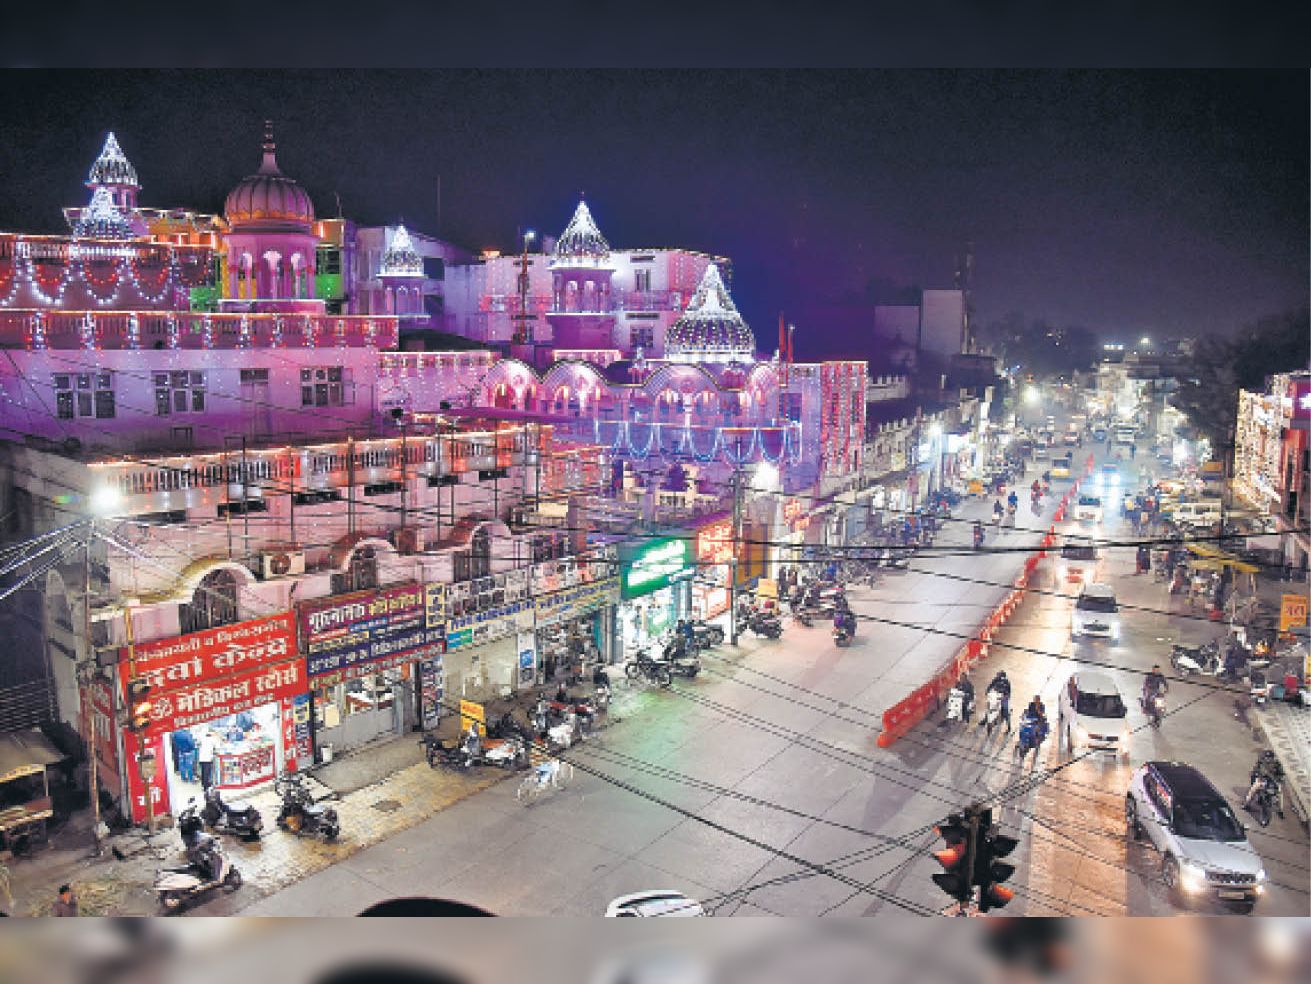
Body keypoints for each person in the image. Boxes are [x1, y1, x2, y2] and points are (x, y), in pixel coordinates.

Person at [1243, 750, 1286, 819]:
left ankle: (1280, 810)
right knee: (1253, 789)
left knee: (1280, 793)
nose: (1268, 759)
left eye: (1269, 758)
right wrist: (1256, 774)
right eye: (1267, 757)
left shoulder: (1277, 764)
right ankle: (1246, 804)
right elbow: (1256, 769)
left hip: (1273, 781)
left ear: (1272, 758)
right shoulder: (1261, 762)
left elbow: (1282, 774)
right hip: (1262, 779)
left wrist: (1280, 779)